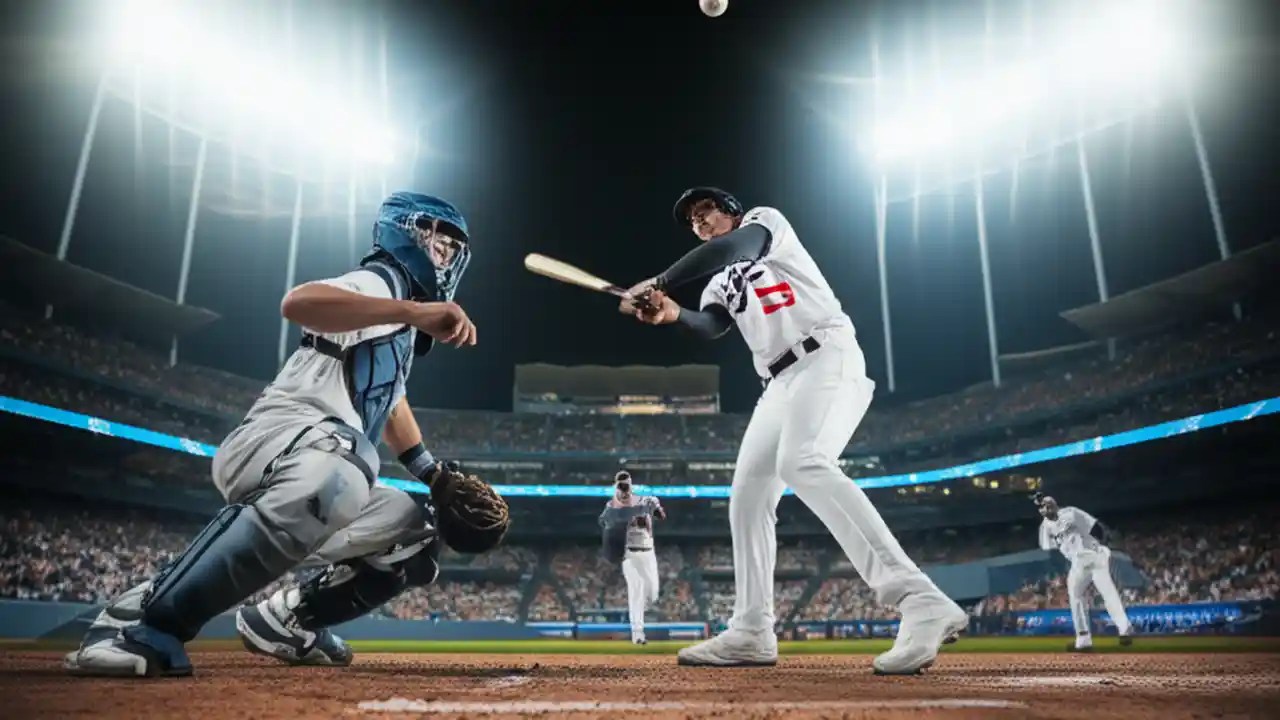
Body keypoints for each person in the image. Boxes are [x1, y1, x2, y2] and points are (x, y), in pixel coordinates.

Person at [64, 191, 509, 677]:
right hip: (278, 440)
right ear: (406, 233)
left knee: (415, 531)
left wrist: (431, 474)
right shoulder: (380, 279)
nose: (444, 255)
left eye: (451, 248)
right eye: (437, 241)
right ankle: (145, 623)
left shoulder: (395, 321)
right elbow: (300, 303)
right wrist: (415, 312)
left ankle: (287, 620)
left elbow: (390, 401)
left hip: (325, 459)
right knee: (350, 464)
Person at [620, 187, 966, 674]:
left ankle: (919, 600)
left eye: (707, 211)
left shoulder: (763, 225)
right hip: (779, 382)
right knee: (748, 495)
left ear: (732, 211)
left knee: (802, 462)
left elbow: (730, 248)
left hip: (825, 353)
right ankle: (752, 630)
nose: (700, 222)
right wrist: (671, 311)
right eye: (693, 220)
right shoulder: (719, 282)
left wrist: (661, 279)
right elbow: (711, 324)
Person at [1034, 493, 1135, 652]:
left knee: (1107, 591)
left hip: (1094, 556)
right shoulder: (1045, 528)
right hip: (1078, 563)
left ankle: (1124, 629)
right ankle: (1083, 639)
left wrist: (1100, 543)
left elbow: (1096, 526)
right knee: (1075, 595)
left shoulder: (1071, 512)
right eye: (1043, 507)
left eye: (1048, 505)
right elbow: (1050, 549)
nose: (1046, 509)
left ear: (1054, 505)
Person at [598, 471, 665, 644]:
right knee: (636, 591)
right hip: (629, 554)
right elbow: (604, 524)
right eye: (620, 486)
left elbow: (661, 516)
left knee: (652, 593)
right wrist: (621, 527)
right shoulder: (611, 507)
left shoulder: (645, 501)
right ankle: (638, 633)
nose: (624, 490)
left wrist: (655, 509)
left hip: (648, 552)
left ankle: (640, 614)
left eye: (626, 486)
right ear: (616, 487)